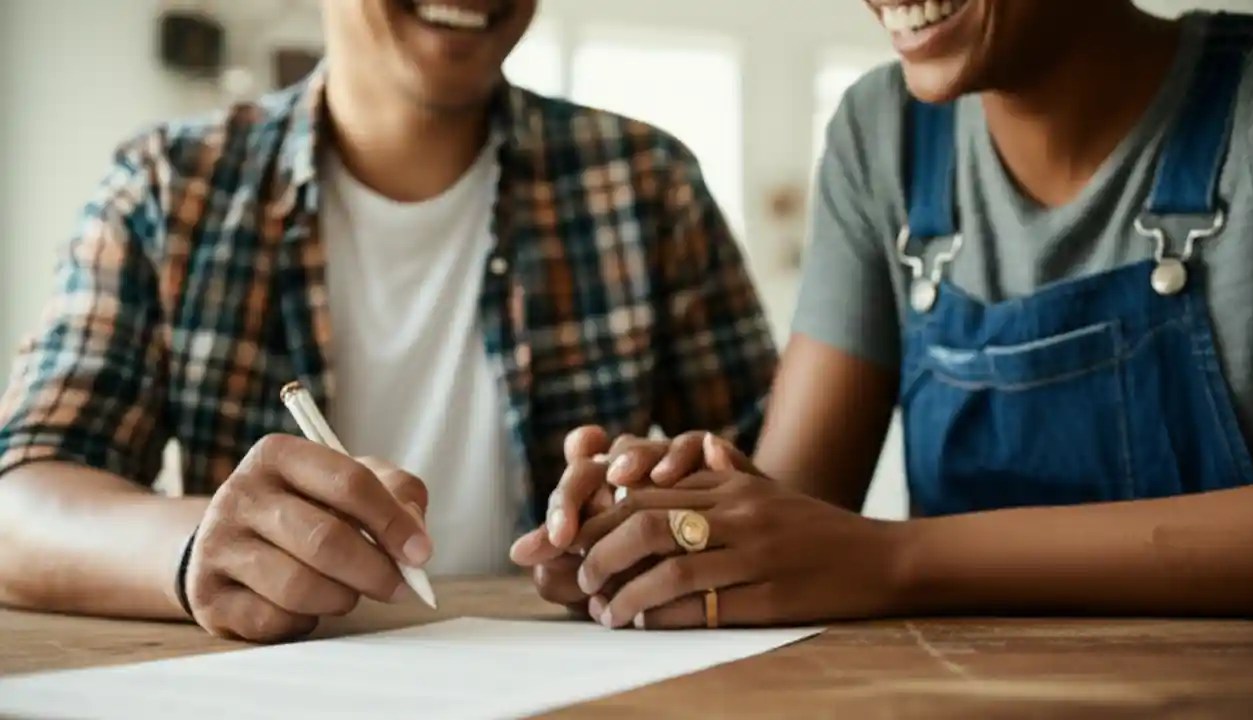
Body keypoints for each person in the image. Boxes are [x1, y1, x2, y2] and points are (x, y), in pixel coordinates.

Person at [0, 0, 777, 642]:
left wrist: (658, 499)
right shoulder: (169, 188)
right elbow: (19, 506)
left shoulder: (647, 184)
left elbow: (772, 485)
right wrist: (200, 544)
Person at [513, 0, 1253, 629]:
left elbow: (852, 553)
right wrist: (668, 527)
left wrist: (896, 560)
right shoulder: (882, 133)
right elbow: (798, 505)